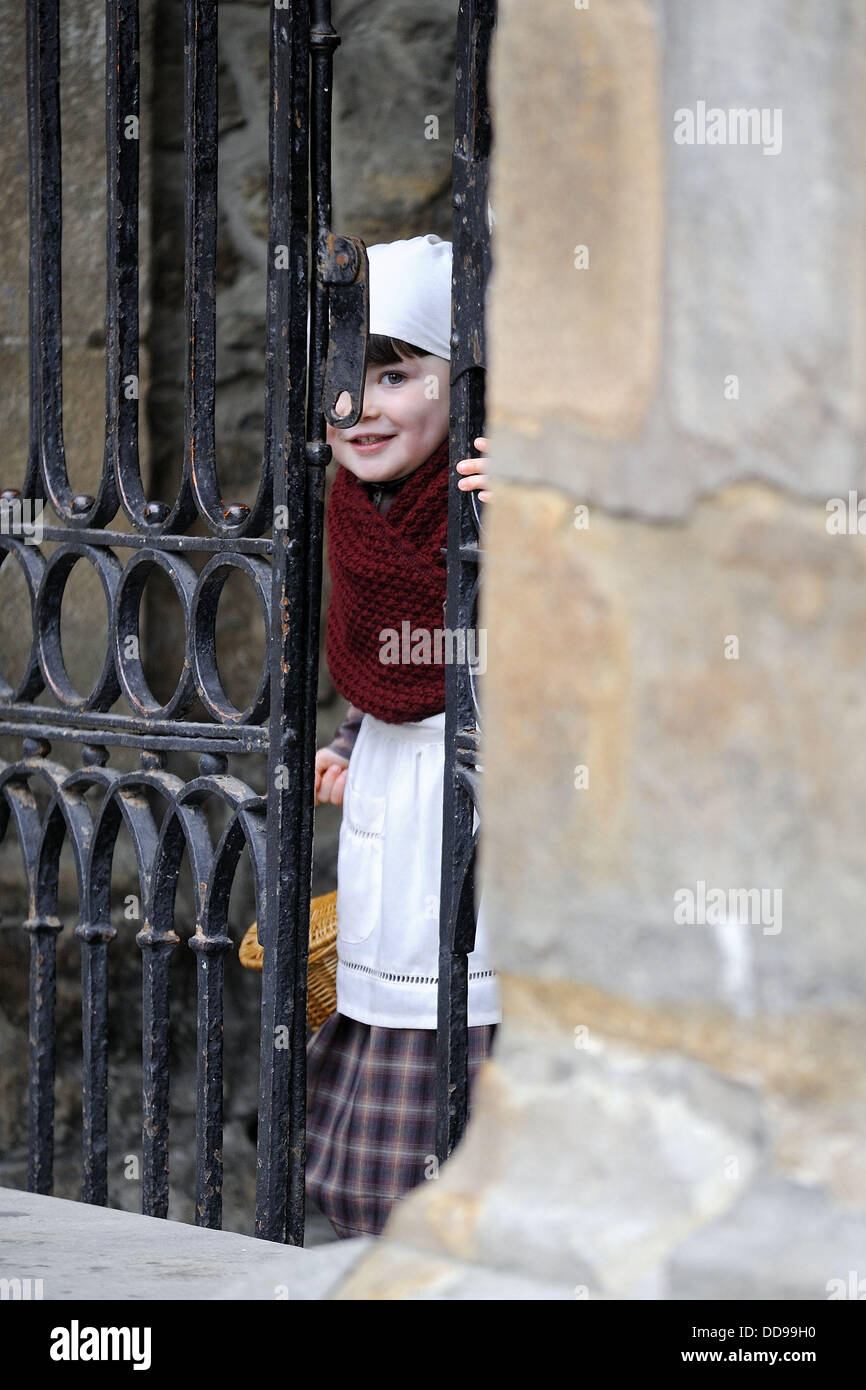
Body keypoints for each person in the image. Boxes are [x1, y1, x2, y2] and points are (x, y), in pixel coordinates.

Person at [305, 233, 499, 1239]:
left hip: (475, 819)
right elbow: (383, 660)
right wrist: (348, 735)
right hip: (392, 789)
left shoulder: (485, 501)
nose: (358, 404)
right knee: (368, 1172)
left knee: (464, 1016)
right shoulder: (353, 509)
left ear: (455, 385)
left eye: (393, 373)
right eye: (340, 374)